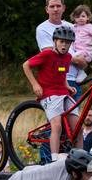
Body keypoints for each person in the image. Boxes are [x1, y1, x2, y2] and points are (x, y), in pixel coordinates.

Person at [22, 25, 76, 157]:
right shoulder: (47, 54)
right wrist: (35, 85)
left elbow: (62, 72)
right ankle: (54, 159)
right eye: (61, 41)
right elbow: (26, 65)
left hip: (63, 93)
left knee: (77, 127)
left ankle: (80, 157)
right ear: (55, 41)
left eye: (68, 43)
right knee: (57, 126)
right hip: (49, 94)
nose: (64, 45)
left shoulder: (68, 57)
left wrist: (67, 86)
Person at [37, 0, 85, 94]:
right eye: (52, 6)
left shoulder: (71, 26)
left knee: (78, 105)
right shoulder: (42, 28)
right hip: (58, 77)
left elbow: (81, 46)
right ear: (46, 9)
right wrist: (77, 60)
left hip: (76, 78)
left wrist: (84, 59)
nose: (55, 9)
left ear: (63, 8)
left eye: (58, 6)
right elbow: (51, 54)